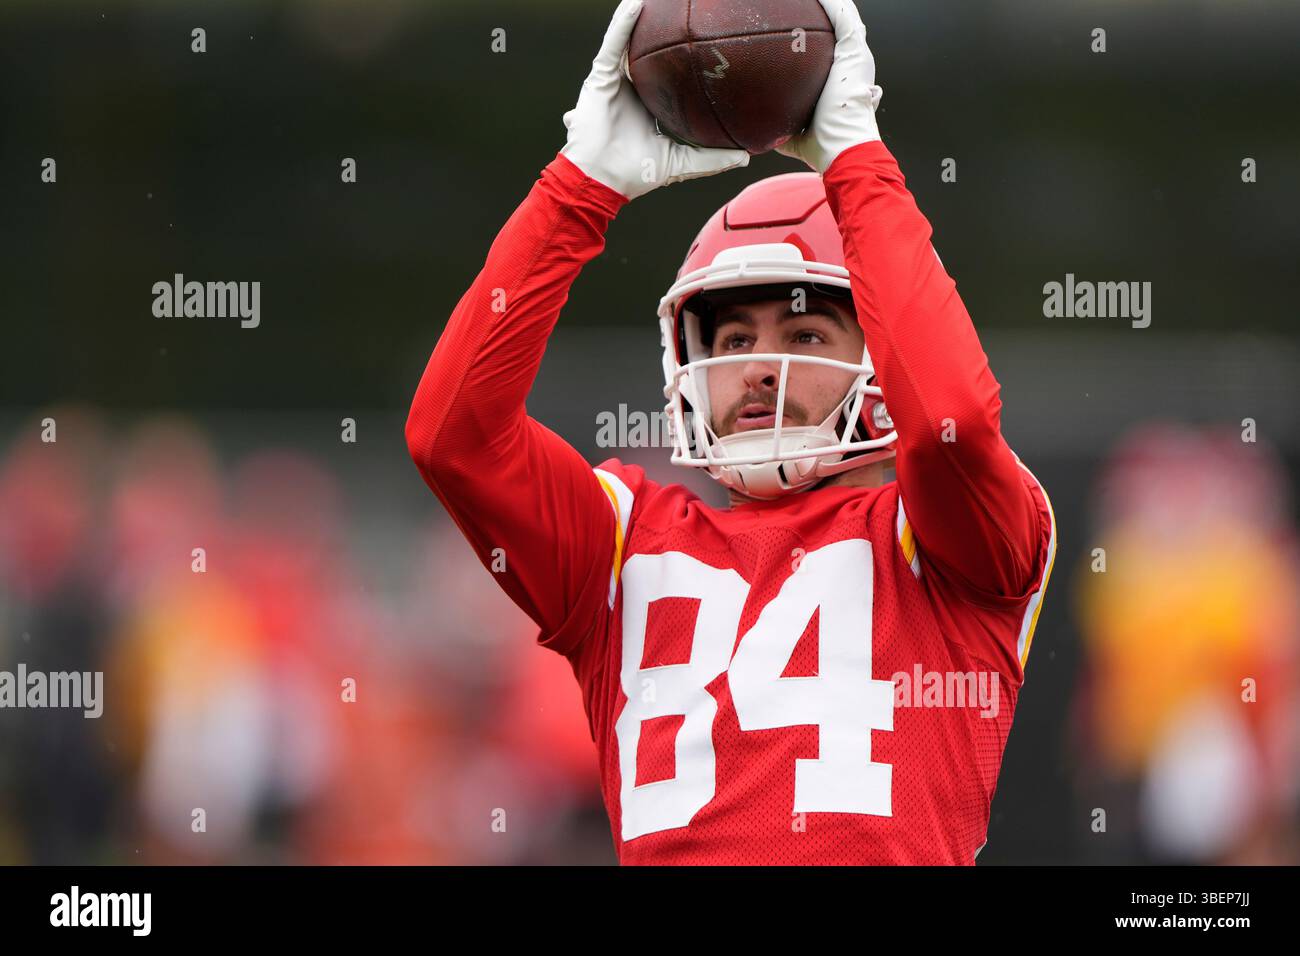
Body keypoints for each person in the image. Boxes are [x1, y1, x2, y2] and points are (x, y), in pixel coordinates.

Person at [406, 0, 1056, 864]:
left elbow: (953, 424)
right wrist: (578, 186)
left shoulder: (945, 542)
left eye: (805, 334)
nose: (756, 365)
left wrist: (857, 164)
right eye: (735, 336)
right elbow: (452, 436)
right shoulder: (622, 541)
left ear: (886, 348)